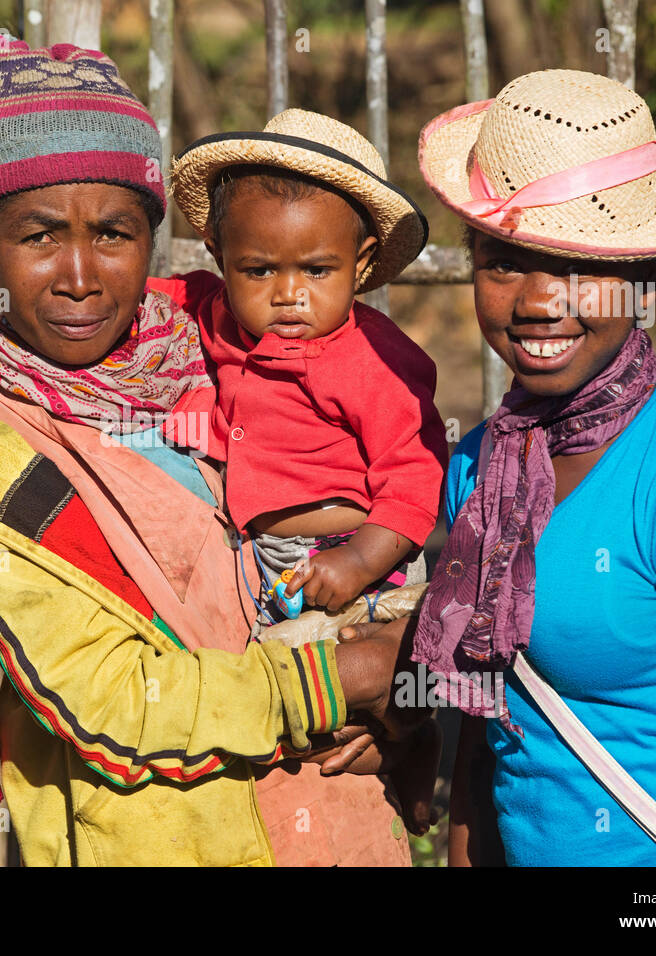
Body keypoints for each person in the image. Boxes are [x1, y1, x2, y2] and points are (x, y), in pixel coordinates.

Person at [0, 35, 429, 867]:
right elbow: (115, 703)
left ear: (155, 241)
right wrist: (350, 678)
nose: (80, 276)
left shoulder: (206, 352)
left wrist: (385, 719)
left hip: (337, 828)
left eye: (114, 233)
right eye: (38, 237)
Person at [414, 69, 656, 866]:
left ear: (644, 280)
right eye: (504, 261)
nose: (540, 301)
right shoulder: (480, 467)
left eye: (581, 267)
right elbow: (487, 743)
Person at [149, 109, 447, 833]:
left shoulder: (372, 360)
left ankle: (413, 750)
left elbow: (415, 475)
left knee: (358, 673)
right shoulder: (206, 310)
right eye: (260, 270)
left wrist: (360, 557)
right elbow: (137, 293)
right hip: (256, 560)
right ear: (219, 255)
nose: (289, 295)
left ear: (363, 261)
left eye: (317, 271)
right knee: (284, 707)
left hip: (346, 559)